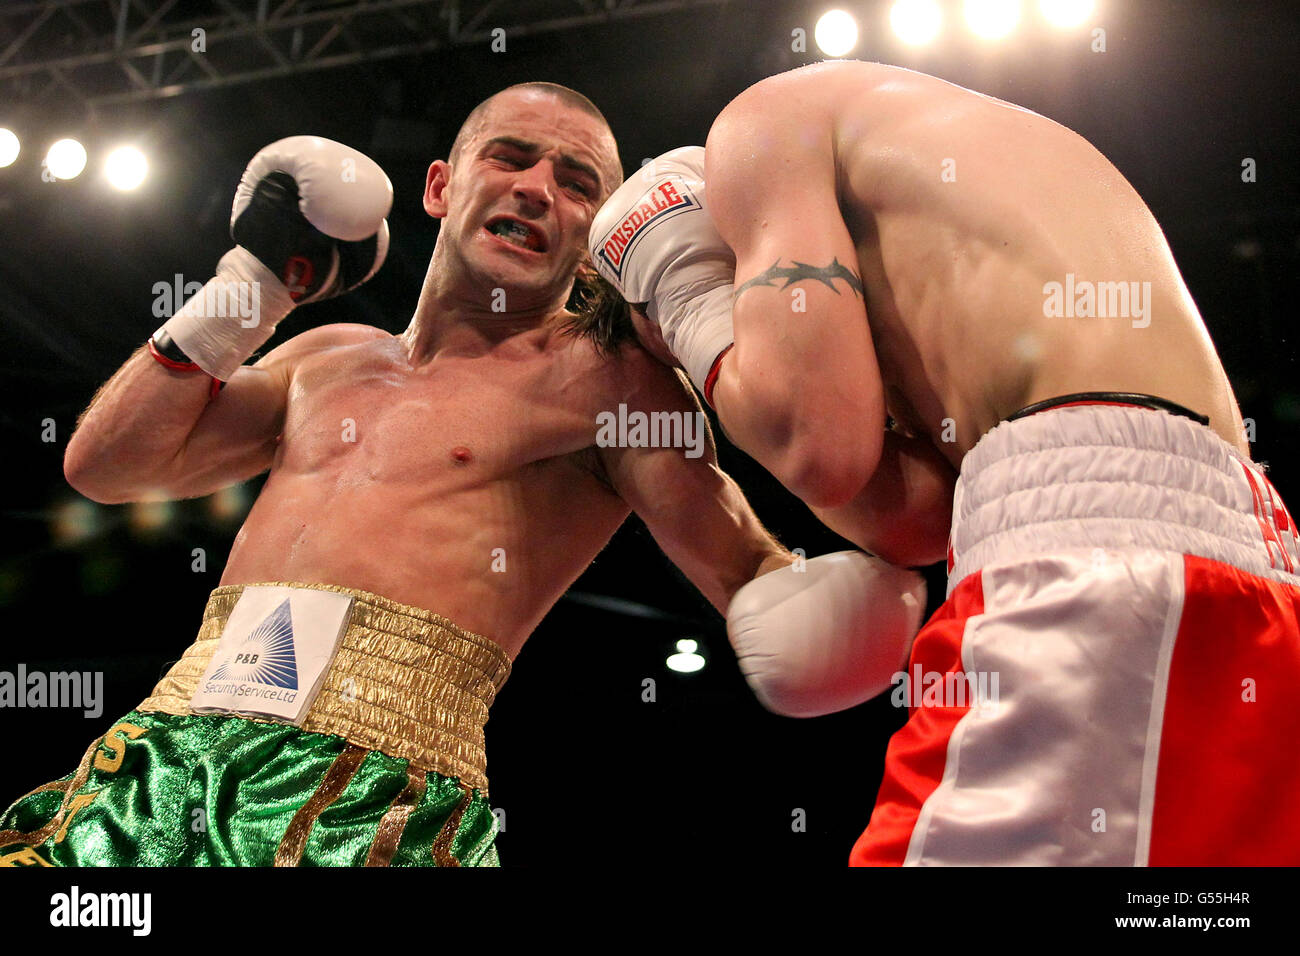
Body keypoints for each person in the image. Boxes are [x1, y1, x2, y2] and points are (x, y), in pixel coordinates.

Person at [0, 81, 925, 868]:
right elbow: (109, 464)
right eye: (510, 158)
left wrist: (818, 599)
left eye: (574, 183)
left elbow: (741, 564)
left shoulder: (608, 380)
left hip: (375, 784)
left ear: (596, 226)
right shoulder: (325, 356)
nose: (536, 190)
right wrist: (255, 280)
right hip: (162, 752)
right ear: (440, 186)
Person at [589, 60, 1300, 865]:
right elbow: (918, 520)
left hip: (1096, 564)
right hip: (1246, 559)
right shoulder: (935, 181)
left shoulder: (758, 128)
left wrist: (693, 313)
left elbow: (817, 445)